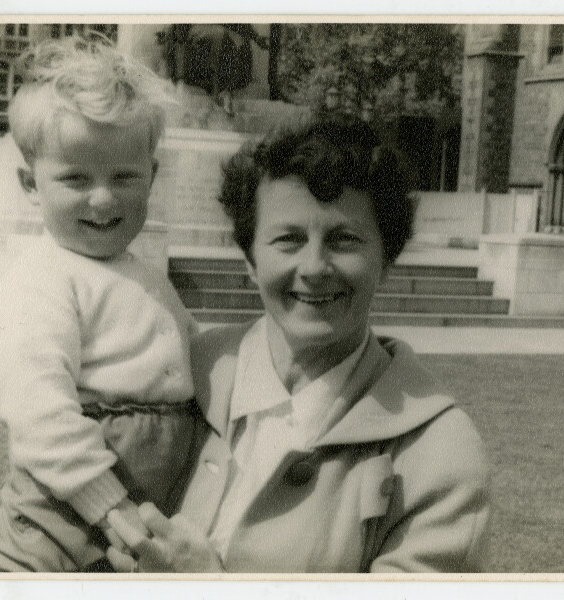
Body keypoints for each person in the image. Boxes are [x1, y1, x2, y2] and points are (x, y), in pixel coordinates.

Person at [106, 117, 492, 573]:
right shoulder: (181, 374)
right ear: (251, 260)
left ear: (387, 260)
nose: (314, 266)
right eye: (288, 239)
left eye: (344, 239)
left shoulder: (440, 453)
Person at [0, 35, 197, 573]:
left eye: (124, 177)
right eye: (75, 179)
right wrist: (113, 508)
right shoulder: (41, 279)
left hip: (130, 523)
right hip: (60, 527)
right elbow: (38, 414)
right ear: (31, 185)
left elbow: (195, 364)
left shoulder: (145, 278)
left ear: (152, 174)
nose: (103, 198)